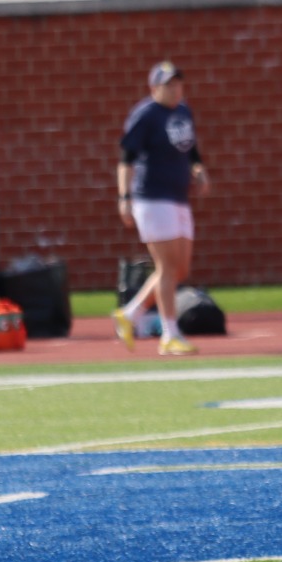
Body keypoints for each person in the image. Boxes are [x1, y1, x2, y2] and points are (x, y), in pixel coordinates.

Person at [111, 60, 207, 357]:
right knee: (166, 267)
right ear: (154, 88)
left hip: (178, 198)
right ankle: (169, 335)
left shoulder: (183, 111)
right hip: (152, 198)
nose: (175, 89)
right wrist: (124, 197)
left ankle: (130, 313)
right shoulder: (146, 114)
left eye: (178, 84)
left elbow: (190, 148)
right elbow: (126, 159)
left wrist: (198, 169)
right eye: (169, 85)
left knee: (180, 269)